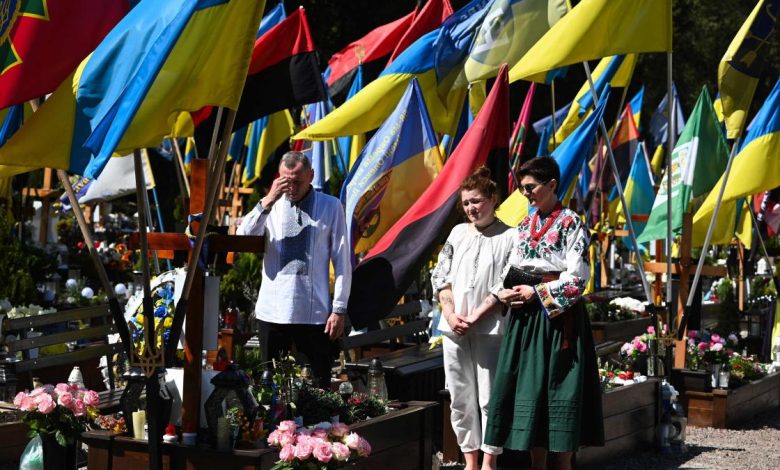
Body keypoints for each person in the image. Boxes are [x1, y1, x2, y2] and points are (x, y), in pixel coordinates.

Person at [476, 157, 603, 470]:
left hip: (559, 321)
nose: (526, 193)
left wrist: (539, 293)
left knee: (559, 386)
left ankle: (562, 466)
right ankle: (536, 466)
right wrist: (503, 291)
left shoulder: (572, 222)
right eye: (522, 188)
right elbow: (511, 266)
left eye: (530, 187)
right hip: (526, 318)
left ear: (552, 185)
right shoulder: (525, 223)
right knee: (529, 388)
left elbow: (578, 279)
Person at [237, 151, 351, 389]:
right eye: (285, 180)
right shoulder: (270, 207)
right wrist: (268, 199)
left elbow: (342, 260)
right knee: (268, 386)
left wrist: (339, 308)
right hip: (272, 311)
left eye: (297, 181)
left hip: (315, 313)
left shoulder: (331, 207)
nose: (291, 187)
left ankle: (321, 428)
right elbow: (242, 238)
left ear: (311, 175)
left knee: (319, 386)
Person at [431, 167, 514, 470]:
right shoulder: (457, 233)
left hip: (490, 328)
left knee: (490, 397)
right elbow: (441, 276)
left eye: (476, 201)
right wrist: (451, 314)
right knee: (459, 395)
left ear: (492, 198)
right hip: (454, 328)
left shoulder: (510, 236)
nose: (471, 208)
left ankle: (490, 460)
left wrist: (477, 315)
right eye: (466, 203)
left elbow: (504, 282)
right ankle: (470, 460)